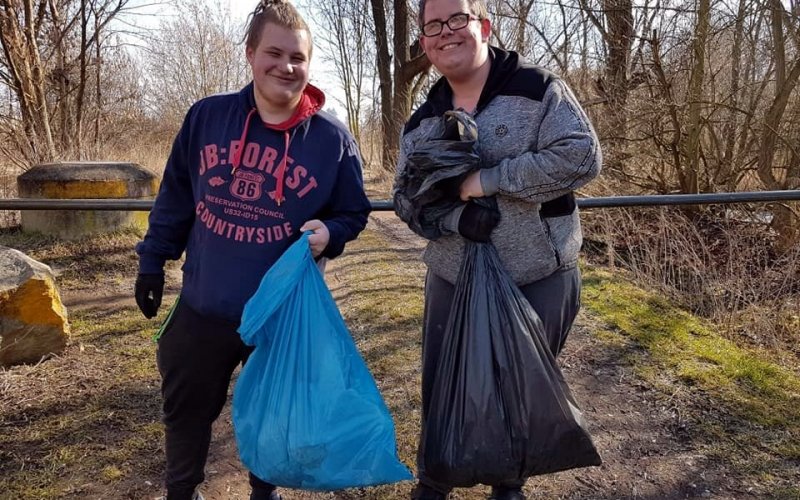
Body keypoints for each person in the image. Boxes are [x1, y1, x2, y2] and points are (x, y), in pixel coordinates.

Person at [133, 1, 371, 498]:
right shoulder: (207, 118)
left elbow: (353, 211)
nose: (286, 67)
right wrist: (153, 261)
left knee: (274, 418)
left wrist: (333, 232)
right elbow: (175, 197)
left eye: (298, 57)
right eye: (274, 53)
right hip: (205, 306)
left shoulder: (332, 140)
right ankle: (183, 491)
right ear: (250, 54)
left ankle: (265, 494)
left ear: (310, 62)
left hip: (280, 318)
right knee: (186, 411)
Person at [393, 0, 602, 499]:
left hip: (540, 273)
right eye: (433, 26)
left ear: (483, 25)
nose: (446, 33)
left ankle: (508, 482)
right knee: (443, 384)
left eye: (458, 19)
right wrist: (454, 218)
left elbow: (582, 157)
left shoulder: (538, 89)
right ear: (424, 43)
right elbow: (405, 198)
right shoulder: (422, 122)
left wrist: (489, 180)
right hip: (452, 276)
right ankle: (435, 477)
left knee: (522, 387)